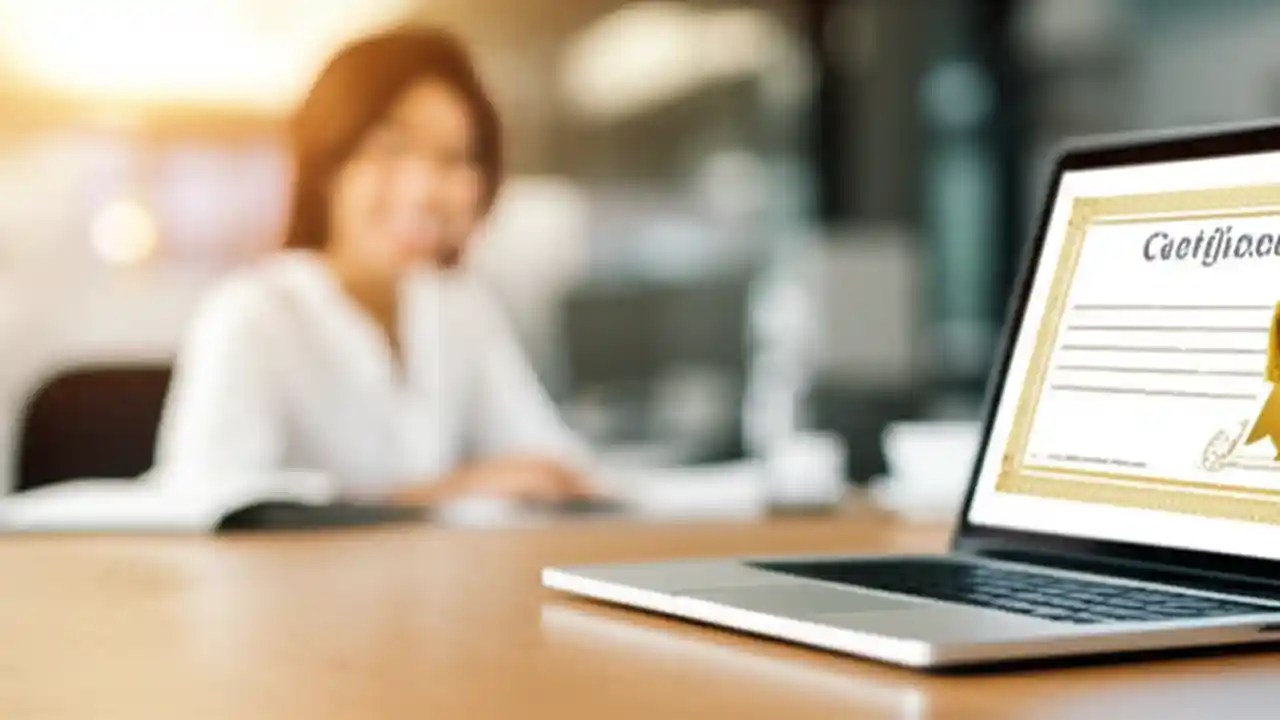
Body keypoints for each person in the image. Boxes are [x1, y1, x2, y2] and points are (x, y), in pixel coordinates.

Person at [154, 28, 594, 504]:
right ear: (328, 165)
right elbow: (212, 501)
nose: (424, 189)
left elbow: (549, 464)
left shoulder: (460, 307)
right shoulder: (251, 313)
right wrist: (445, 492)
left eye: (453, 159)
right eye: (390, 150)